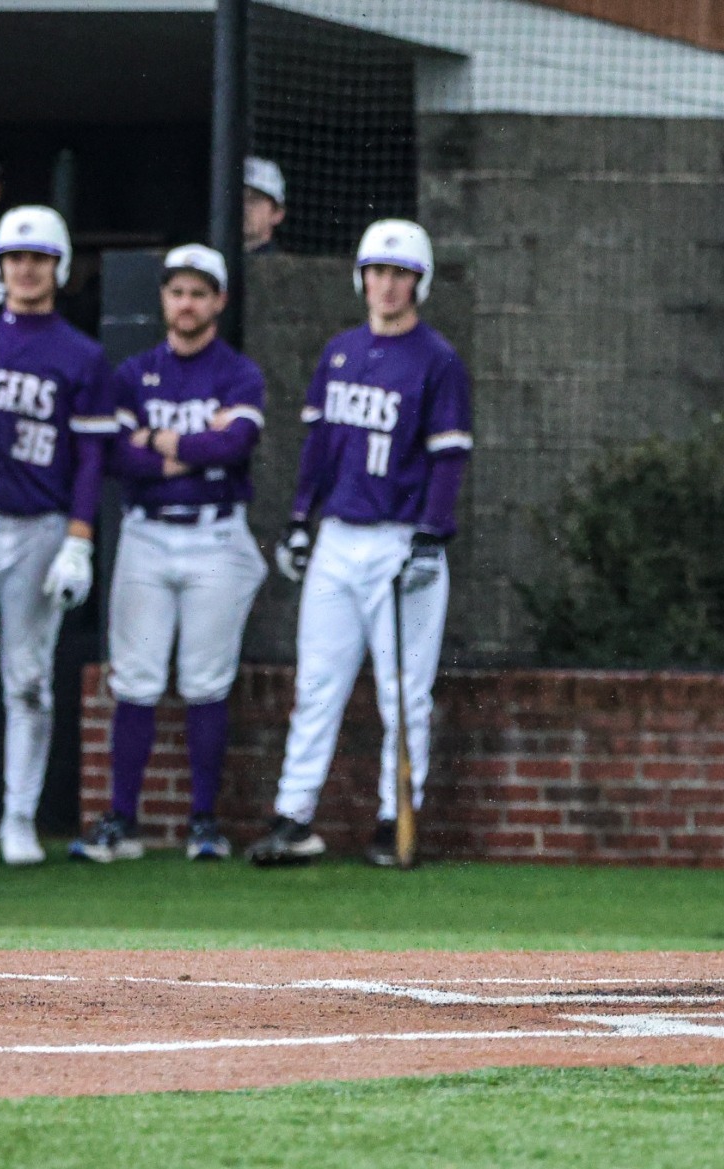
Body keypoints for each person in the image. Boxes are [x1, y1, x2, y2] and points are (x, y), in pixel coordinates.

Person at [246, 219, 472, 868]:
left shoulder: (439, 360)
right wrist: (297, 519)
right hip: (338, 538)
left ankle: (392, 818)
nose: (387, 284)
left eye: (400, 273)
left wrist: (432, 534)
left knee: (405, 691)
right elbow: (318, 448)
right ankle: (294, 817)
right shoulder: (339, 350)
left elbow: (448, 459)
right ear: (361, 277)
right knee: (318, 681)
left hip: (404, 542)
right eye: (377, 271)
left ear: (419, 283)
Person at [70, 245, 267, 864]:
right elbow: (113, 458)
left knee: (208, 684)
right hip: (147, 532)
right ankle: (122, 822)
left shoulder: (239, 372)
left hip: (215, 533)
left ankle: (203, 823)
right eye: (177, 291)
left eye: (199, 293)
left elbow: (234, 446)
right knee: (136, 681)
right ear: (164, 298)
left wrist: (155, 440)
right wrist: (187, 447)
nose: (187, 303)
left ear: (219, 302)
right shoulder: (131, 373)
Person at [0, 206, 115, 865]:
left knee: (27, 679)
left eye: (37, 258)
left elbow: (90, 458)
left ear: (57, 267)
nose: (25, 269)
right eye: (14, 258)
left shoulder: (81, 355)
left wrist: (79, 538)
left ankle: (20, 817)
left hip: (39, 525)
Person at [243, 157, 286, 255]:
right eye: (239, 198)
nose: (245, 206)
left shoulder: (283, 267)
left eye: (254, 199)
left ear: (277, 213)